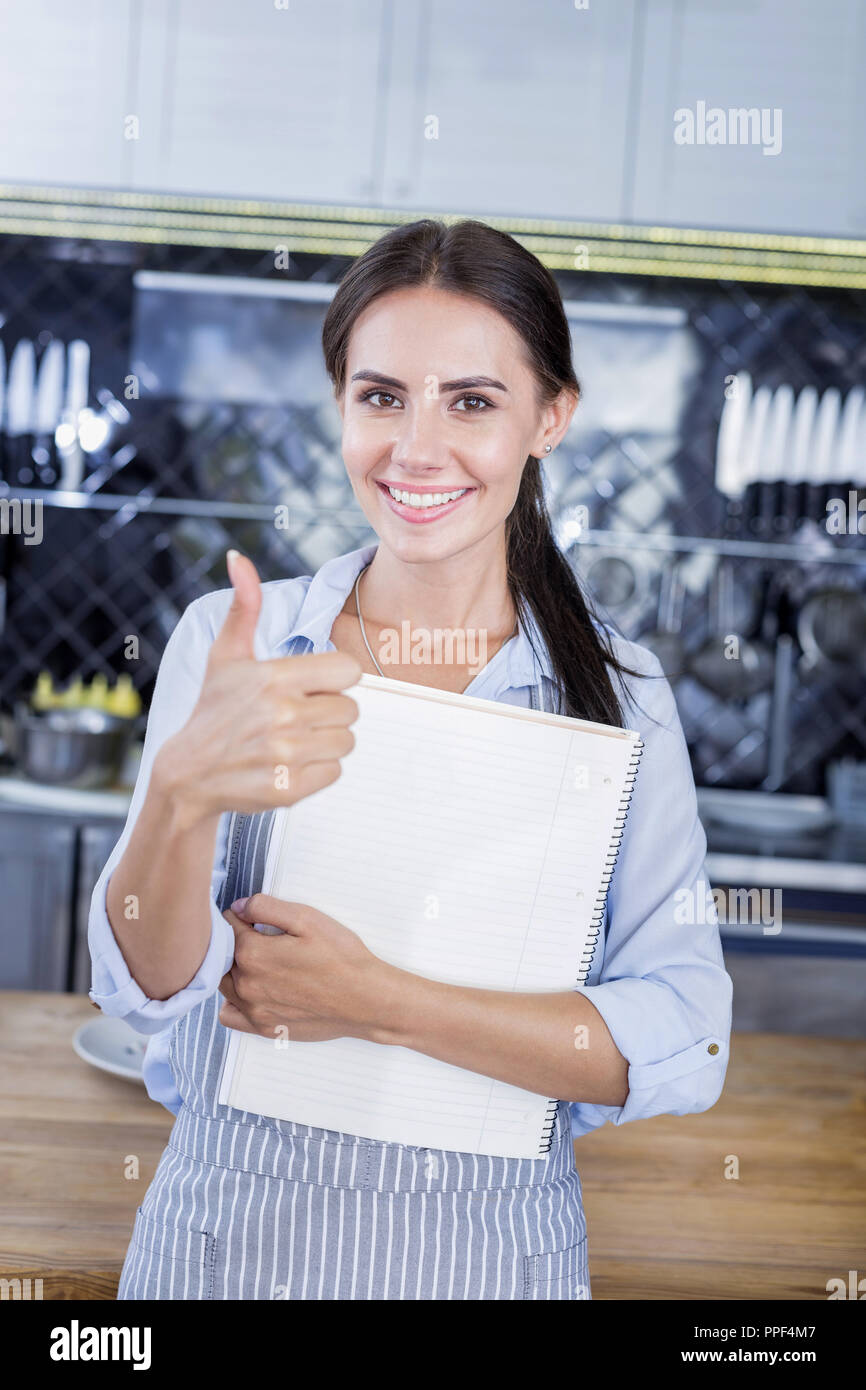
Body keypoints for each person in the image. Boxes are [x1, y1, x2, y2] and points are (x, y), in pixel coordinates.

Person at [89, 218, 732, 1301]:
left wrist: (377, 999)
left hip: (491, 1264)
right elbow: (146, 989)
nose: (416, 448)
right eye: (381, 396)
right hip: (226, 1250)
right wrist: (181, 797)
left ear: (549, 418)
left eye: (471, 402)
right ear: (341, 405)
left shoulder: (620, 701)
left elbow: (681, 1037)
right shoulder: (230, 641)